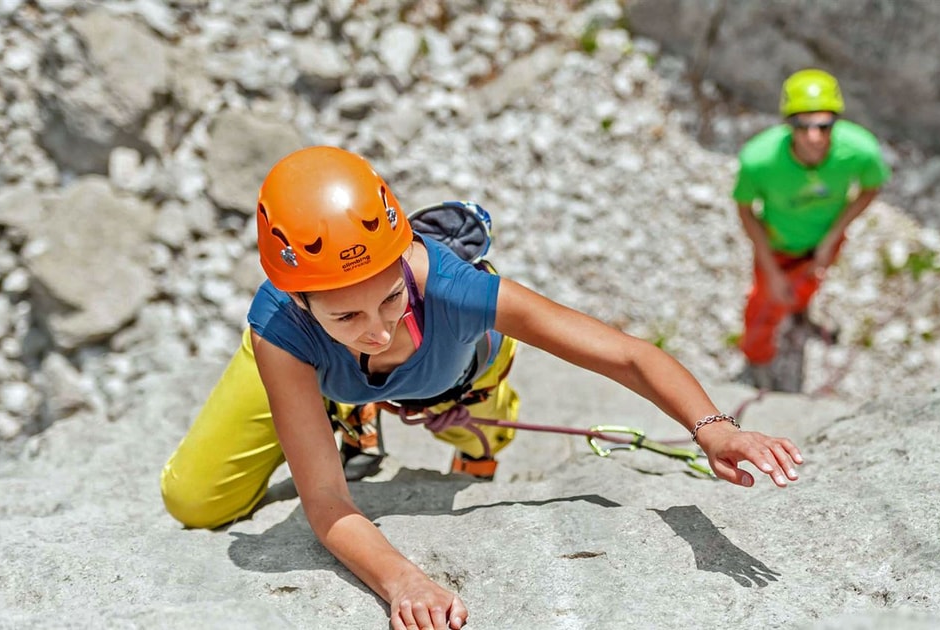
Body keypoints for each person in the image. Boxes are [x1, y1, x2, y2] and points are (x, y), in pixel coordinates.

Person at [160, 146, 805, 630]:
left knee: (478, 454)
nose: (379, 331)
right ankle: (337, 405)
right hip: (309, 367)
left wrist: (714, 427)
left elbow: (628, 356)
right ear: (299, 302)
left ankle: (413, 404)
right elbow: (326, 501)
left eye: (388, 300)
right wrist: (403, 581)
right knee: (195, 501)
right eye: (345, 317)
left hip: (457, 371)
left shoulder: (452, 289)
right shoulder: (283, 330)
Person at [732, 68, 891, 392]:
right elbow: (745, 208)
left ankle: (800, 309)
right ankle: (756, 356)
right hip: (778, 246)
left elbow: (871, 188)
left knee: (808, 283)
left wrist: (832, 236)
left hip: (824, 240)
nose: (814, 136)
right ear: (788, 125)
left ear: (836, 121)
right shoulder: (758, 161)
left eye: (823, 126)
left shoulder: (860, 151)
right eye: (802, 126)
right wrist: (770, 268)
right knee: (764, 303)